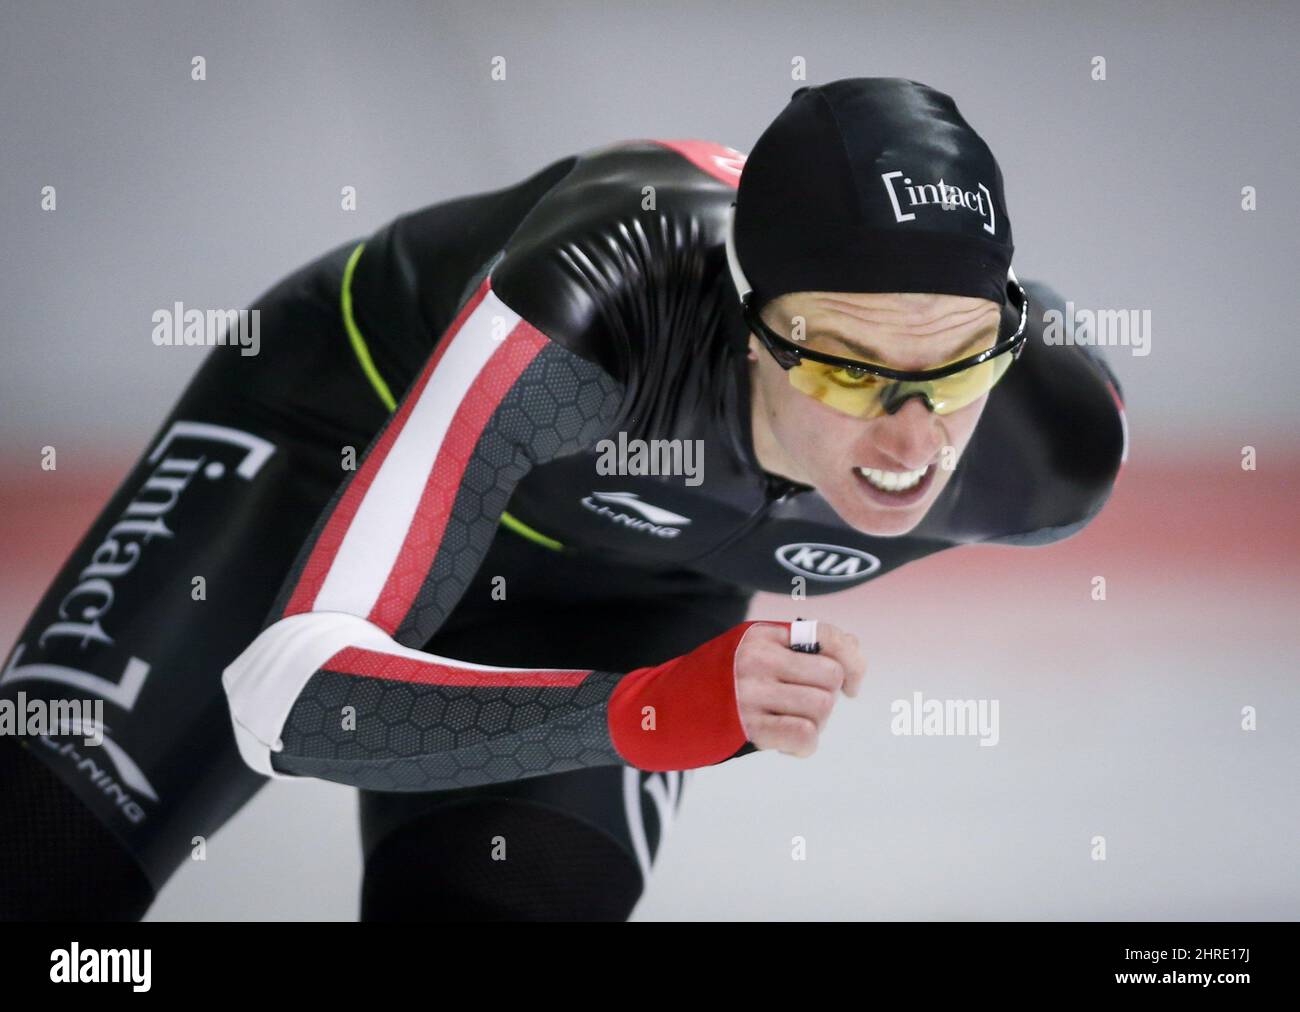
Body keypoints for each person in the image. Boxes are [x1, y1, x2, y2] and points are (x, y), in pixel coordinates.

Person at [0, 78, 1126, 921]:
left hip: (621, 599)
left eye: (961, 366)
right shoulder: (596, 300)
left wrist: (635, 691)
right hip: (340, 443)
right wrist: (644, 712)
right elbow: (287, 695)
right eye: (843, 364)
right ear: (743, 319)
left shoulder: (1048, 446)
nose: (909, 438)